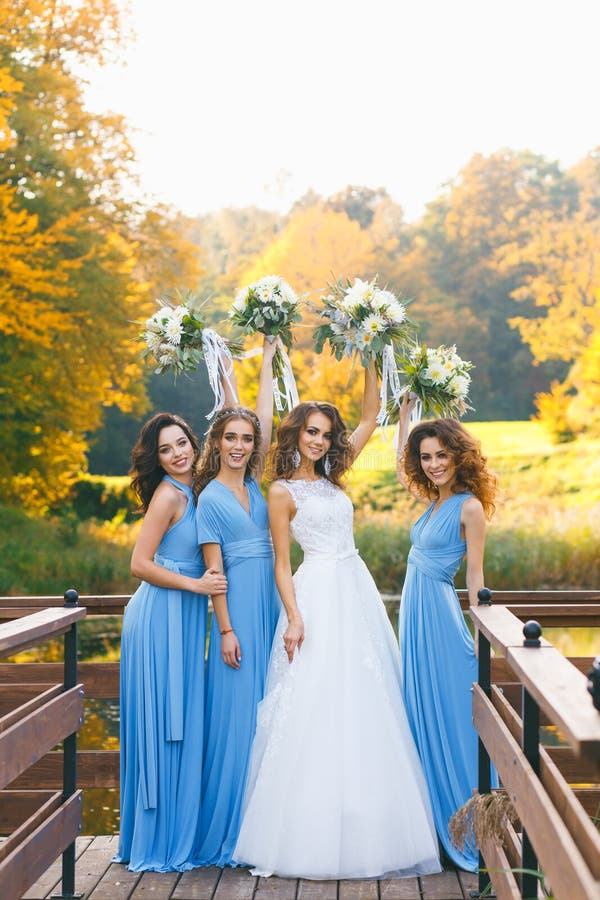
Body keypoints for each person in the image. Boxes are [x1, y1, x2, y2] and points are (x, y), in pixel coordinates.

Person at [233, 365, 441, 880]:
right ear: (296, 433)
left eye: (326, 434)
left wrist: (373, 351)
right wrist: (295, 617)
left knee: (367, 697)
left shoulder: (331, 474)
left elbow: (372, 414)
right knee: (315, 699)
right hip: (317, 592)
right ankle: (306, 832)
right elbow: (283, 562)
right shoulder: (281, 491)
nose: (320, 441)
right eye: (312, 432)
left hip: (356, 589)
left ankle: (369, 824)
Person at [115, 411, 228, 872]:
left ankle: (175, 831)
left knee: (180, 722)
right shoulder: (167, 495)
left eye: (182, 443)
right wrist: (196, 587)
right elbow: (139, 564)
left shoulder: (197, 488)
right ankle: (156, 843)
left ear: (194, 443)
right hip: (158, 617)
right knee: (162, 723)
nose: (178, 453)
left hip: (183, 621)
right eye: (166, 449)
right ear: (157, 458)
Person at [395, 397, 499, 871]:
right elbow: (402, 470)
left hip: (437, 616)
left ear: (458, 455)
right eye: (426, 457)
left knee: (450, 715)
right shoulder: (433, 499)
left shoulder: (469, 507)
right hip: (414, 619)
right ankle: (433, 823)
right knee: (418, 712)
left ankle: (468, 825)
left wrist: (485, 632)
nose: (433, 464)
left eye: (441, 455)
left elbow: (475, 579)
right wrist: (404, 417)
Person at [194, 335, 281, 867]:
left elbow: (265, 417)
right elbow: (213, 572)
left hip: (273, 605)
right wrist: (225, 630)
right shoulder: (209, 499)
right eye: (230, 437)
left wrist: (268, 358)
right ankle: (231, 828)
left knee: (273, 710)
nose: (240, 445)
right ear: (217, 441)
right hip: (238, 616)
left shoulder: (258, 483)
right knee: (238, 720)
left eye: (247, 438)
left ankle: (267, 826)